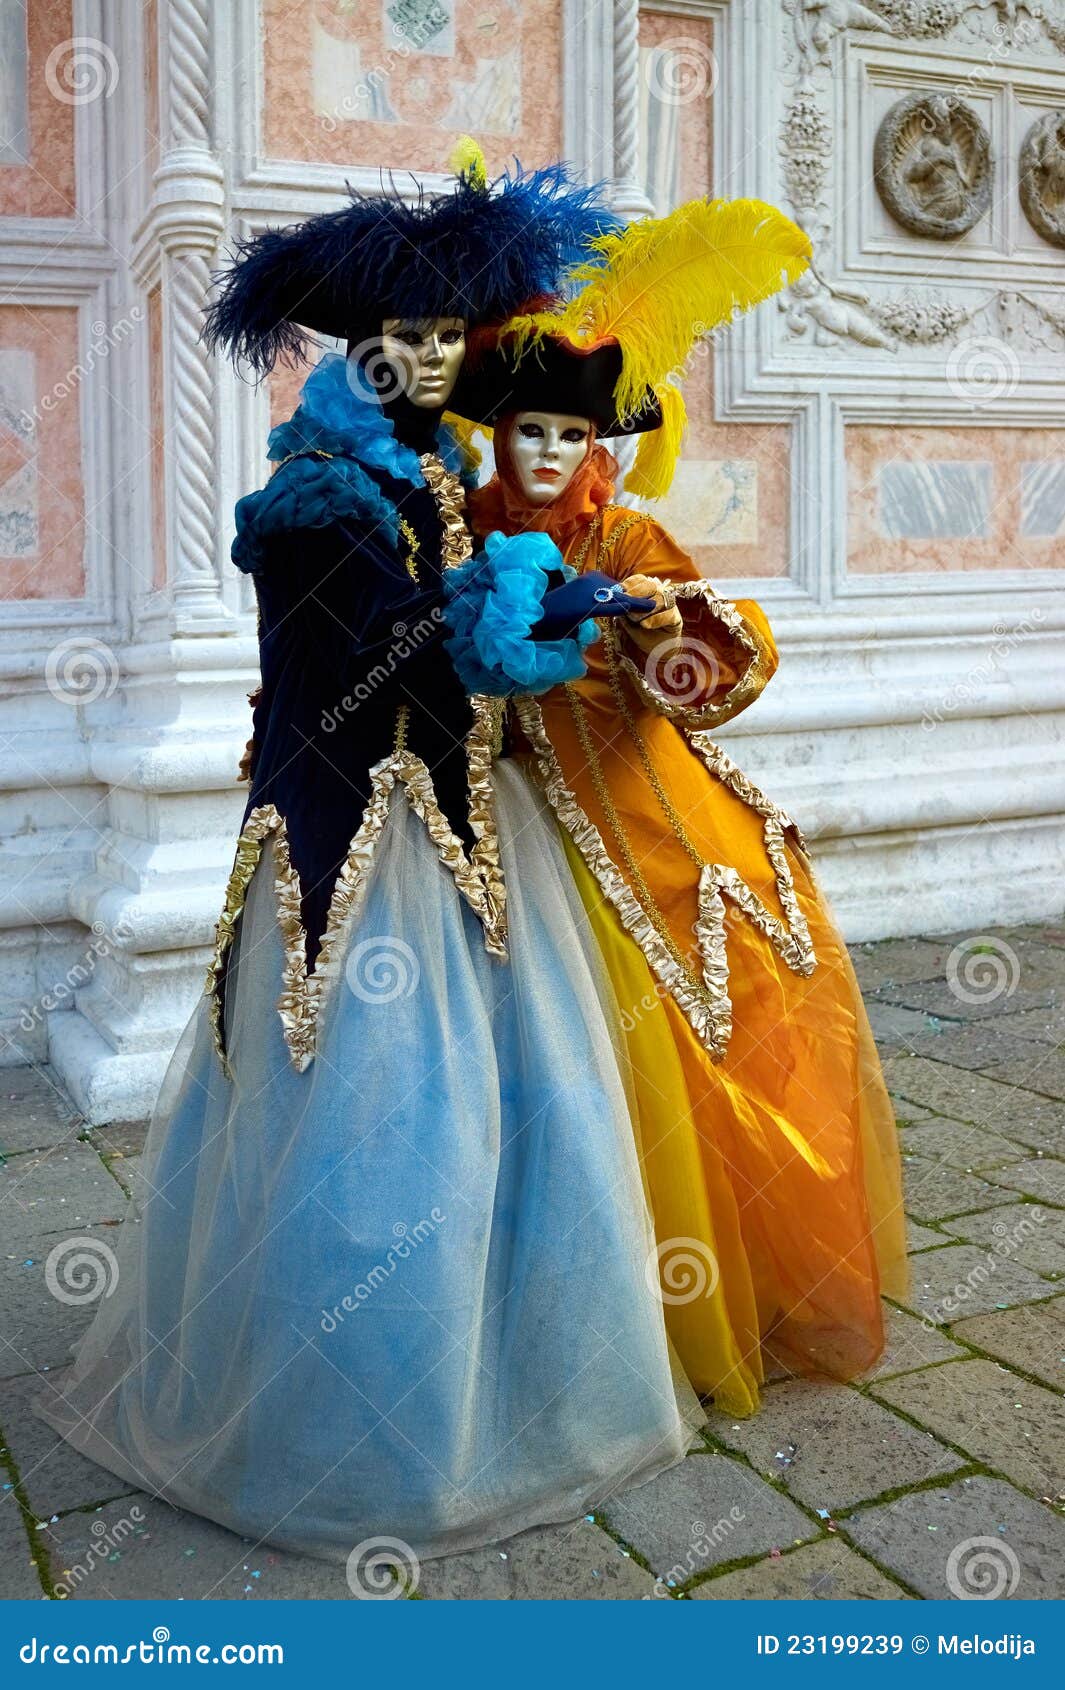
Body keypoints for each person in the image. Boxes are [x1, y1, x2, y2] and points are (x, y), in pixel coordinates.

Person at [34, 145, 703, 1567]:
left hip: (456, 831)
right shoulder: (314, 497)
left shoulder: (422, 470)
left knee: (496, 1112)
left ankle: (491, 1364)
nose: (430, 355)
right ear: (356, 345)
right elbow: (386, 663)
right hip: (359, 847)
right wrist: (514, 617)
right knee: (383, 1120)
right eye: (404, 334)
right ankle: (354, 1418)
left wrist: (533, 600)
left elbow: (456, 644)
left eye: (448, 334)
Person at [452, 196, 909, 1419]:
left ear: (595, 440)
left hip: (642, 819)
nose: (543, 455)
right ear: (492, 437)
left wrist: (661, 628)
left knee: (723, 1015)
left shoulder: (628, 528)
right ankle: (533, 1322)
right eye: (523, 431)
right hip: (502, 830)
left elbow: (723, 674)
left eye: (564, 433)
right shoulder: (456, 530)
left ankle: (692, 1297)